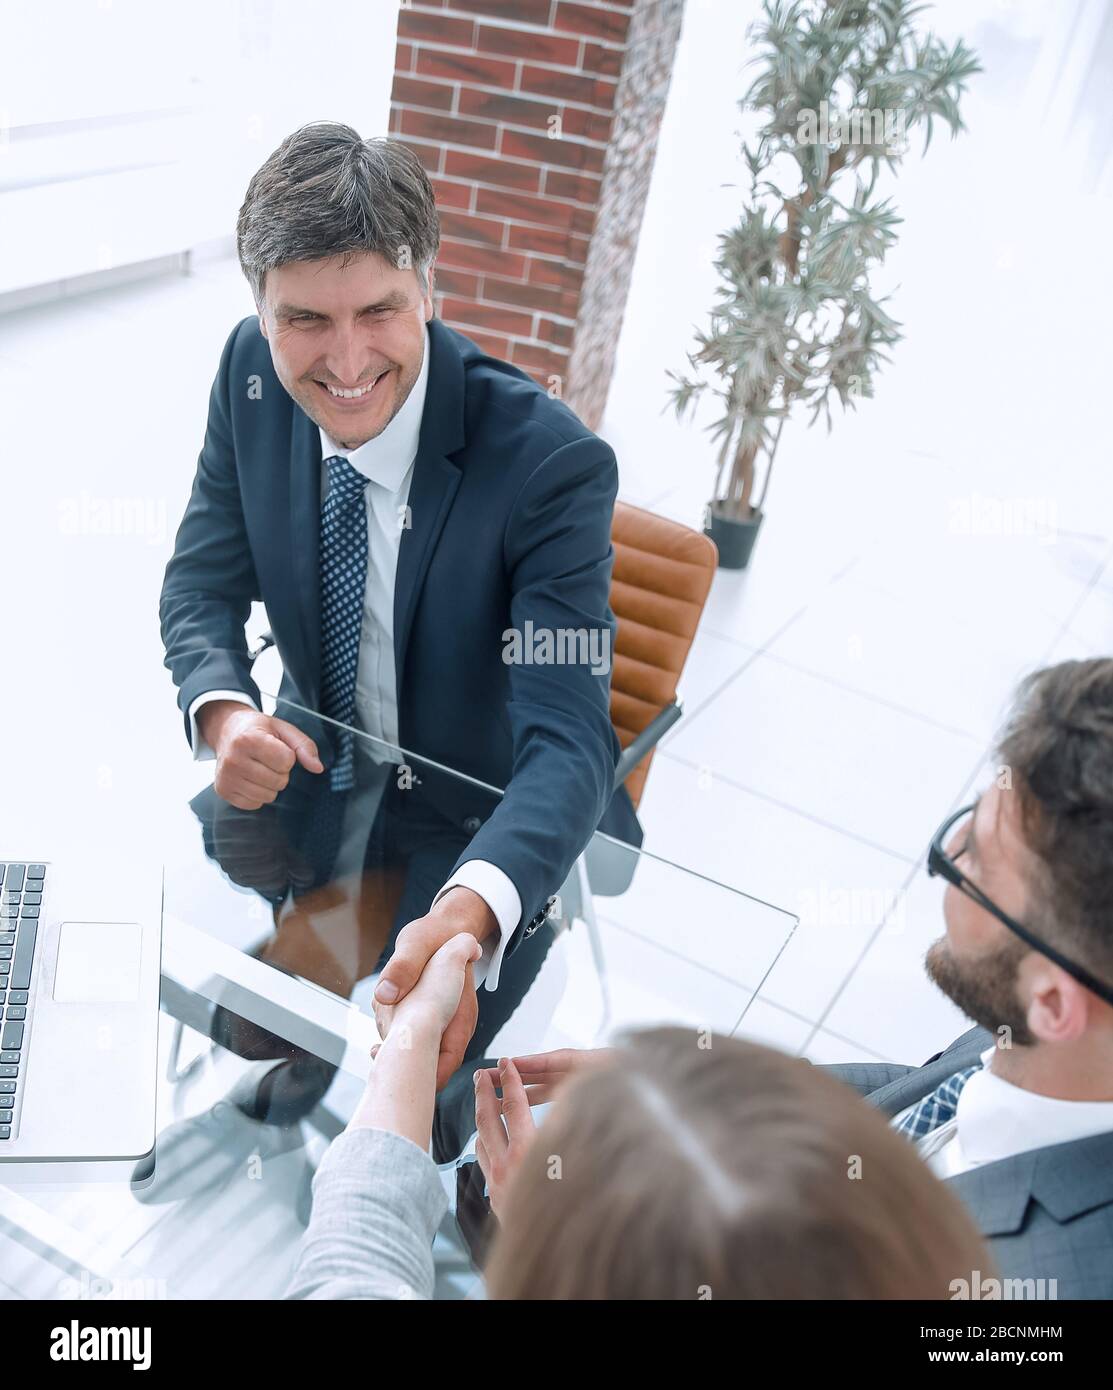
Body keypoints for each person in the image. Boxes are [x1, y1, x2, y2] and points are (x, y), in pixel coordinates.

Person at [156, 122, 641, 1182]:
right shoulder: (249, 378)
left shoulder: (550, 468)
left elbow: (567, 746)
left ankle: (431, 1149)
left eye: (378, 308)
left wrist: (472, 908)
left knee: (414, 1091)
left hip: (480, 814)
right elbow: (199, 583)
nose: (345, 361)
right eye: (304, 321)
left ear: (429, 284)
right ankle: (297, 1063)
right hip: (324, 768)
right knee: (242, 977)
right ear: (260, 313)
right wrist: (225, 710)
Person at [485, 657, 1113, 1298]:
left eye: (972, 863)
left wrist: (562, 1242)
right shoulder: (1041, 1042)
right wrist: (677, 1093)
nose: (944, 864)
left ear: (1054, 1003)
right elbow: (925, 1092)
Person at [286, 935, 989, 1300]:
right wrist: (692, 1097)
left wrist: (556, 1234)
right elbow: (918, 1090)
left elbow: (354, 1271)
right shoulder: (1009, 1059)